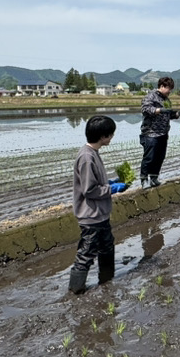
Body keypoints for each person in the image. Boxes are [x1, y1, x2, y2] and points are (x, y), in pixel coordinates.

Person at [69, 115, 128, 294]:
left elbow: (96, 181)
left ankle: (106, 280)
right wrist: (112, 189)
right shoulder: (87, 158)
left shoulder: (93, 153)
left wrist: (110, 182)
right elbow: (89, 190)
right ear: (103, 136)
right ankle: (75, 291)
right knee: (86, 253)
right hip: (91, 216)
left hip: (100, 214)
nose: (112, 137)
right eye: (111, 134)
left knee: (107, 246)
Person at [139, 76, 176, 188]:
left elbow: (168, 114)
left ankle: (154, 178)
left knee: (159, 157)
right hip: (151, 133)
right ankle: (144, 179)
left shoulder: (166, 100)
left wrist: (178, 114)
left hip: (163, 133)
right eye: (169, 88)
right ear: (162, 86)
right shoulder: (151, 96)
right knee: (149, 157)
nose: (170, 91)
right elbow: (145, 109)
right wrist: (159, 110)